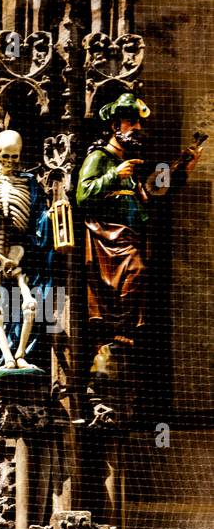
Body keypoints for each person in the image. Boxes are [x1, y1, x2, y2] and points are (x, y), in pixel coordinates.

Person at [75, 92, 202, 420]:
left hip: (126, 236)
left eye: (138, 122)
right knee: (137, 270)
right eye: (131, 121)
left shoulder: (129, 166)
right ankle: (118, 331)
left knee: (139, 274)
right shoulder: (101, 158)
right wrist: (113, 176)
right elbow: (82, 193)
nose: (137, 128)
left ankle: (123, 332)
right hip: (107, 239)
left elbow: (148, 197)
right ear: (115, 125)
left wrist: (180, 170)